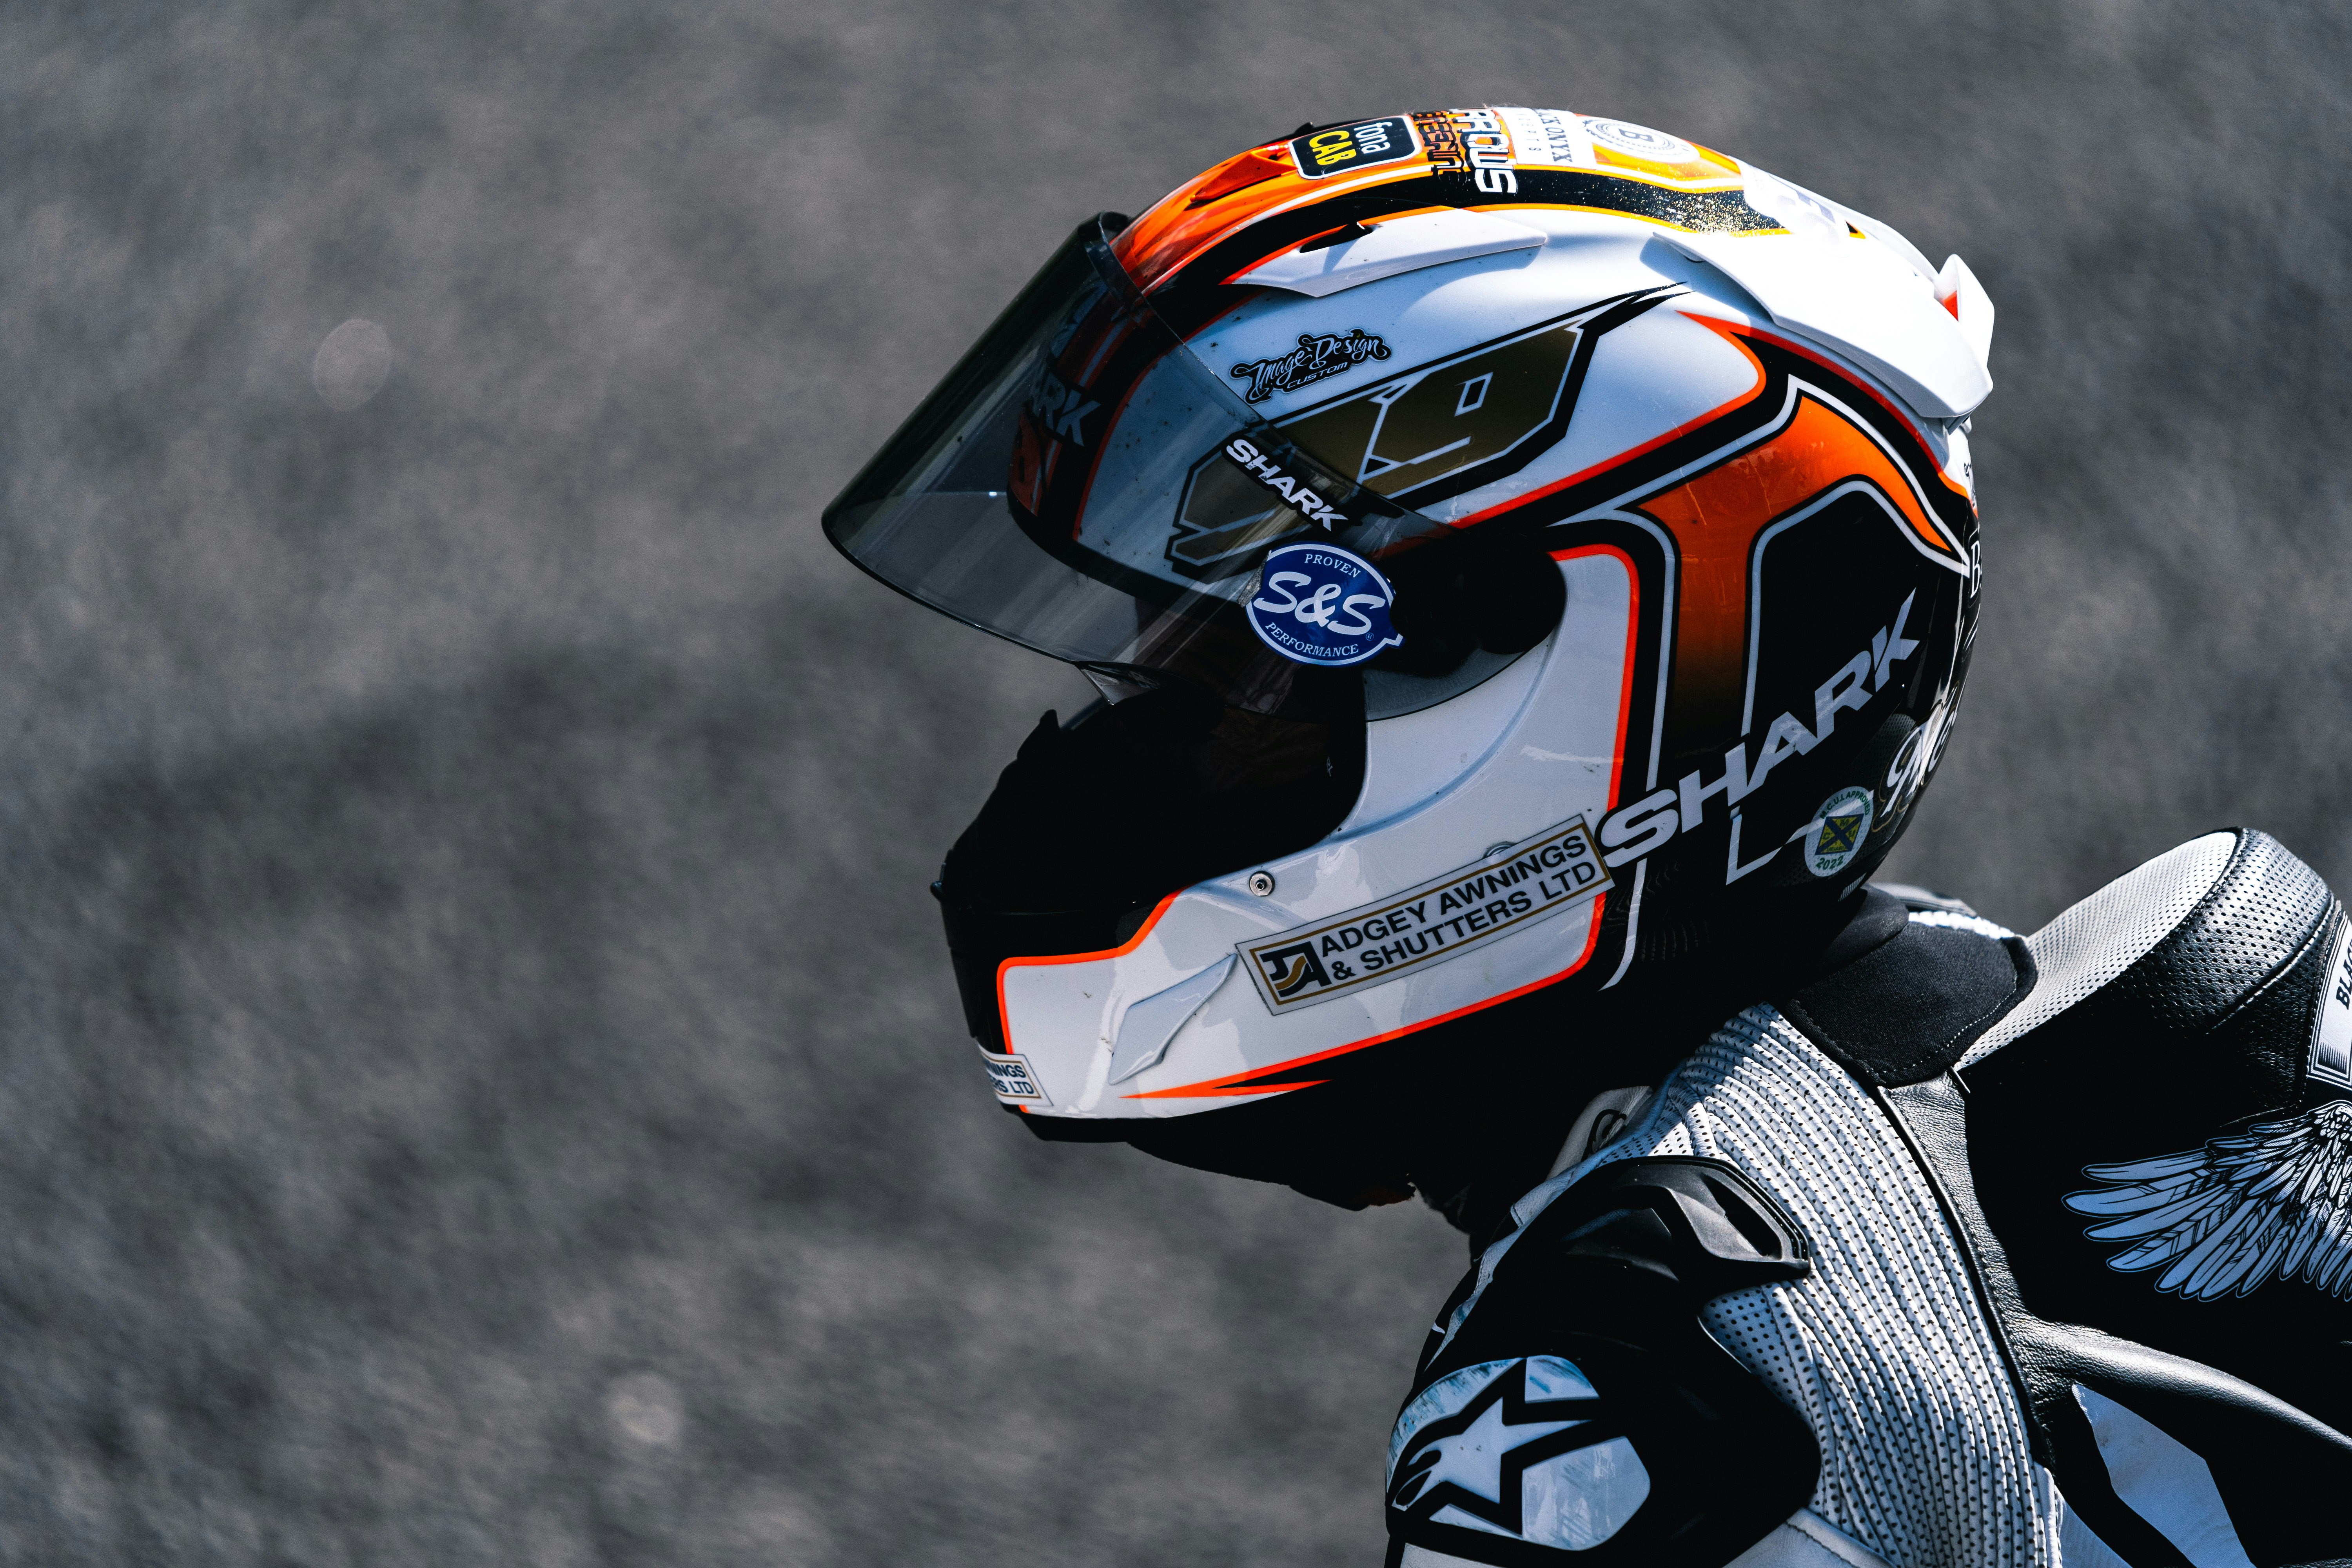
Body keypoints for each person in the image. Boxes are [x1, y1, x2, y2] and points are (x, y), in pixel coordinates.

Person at [822, 106, 2352, 1567]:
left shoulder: (1638, 1407)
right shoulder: (2183, 1070)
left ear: (1584, 696)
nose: (1125, 764)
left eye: (1222, 683)